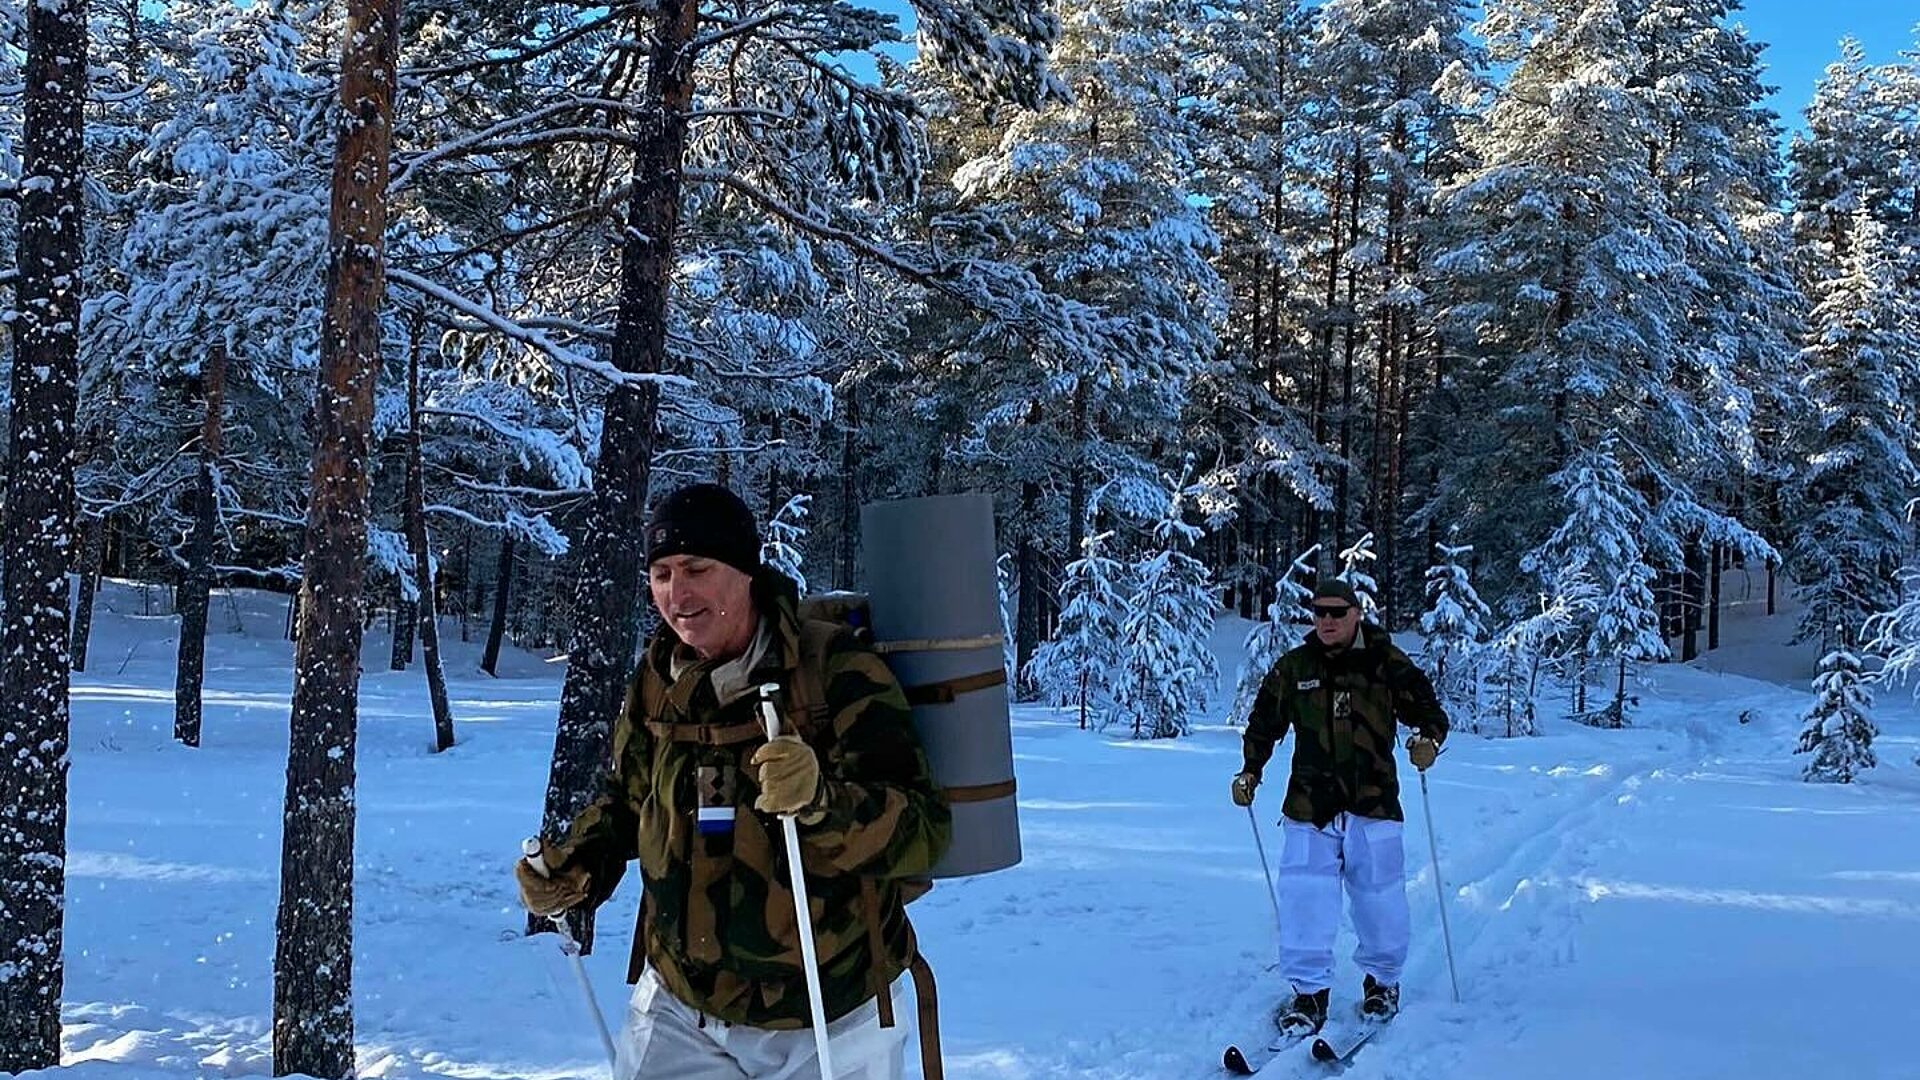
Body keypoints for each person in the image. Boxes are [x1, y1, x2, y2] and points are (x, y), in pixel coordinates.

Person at [515, 482, 952, 1079]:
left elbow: (925, 830)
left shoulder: (835, 672)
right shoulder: (657, 678)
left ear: (744, 570)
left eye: (697, 568)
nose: (678, 592)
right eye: (662, 573)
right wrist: (579, 867)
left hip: (830, 1014)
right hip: (682, 1005)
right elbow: (627, 801)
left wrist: (821, 801)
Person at [1230, 578, 1448, 1036]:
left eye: (1336, 612)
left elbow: (1428, 710)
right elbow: (1264, 723)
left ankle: (1382, 983)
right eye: (1319, 612)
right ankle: (1309, 994)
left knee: (1380, 897)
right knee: (1305, 899)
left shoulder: (1385, 662)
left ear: (1355, 614)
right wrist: (1251, 770)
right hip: (1311, 804)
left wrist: (1429, 741)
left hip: (1374, 801)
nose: (1326, 620)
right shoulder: (1295, 666)